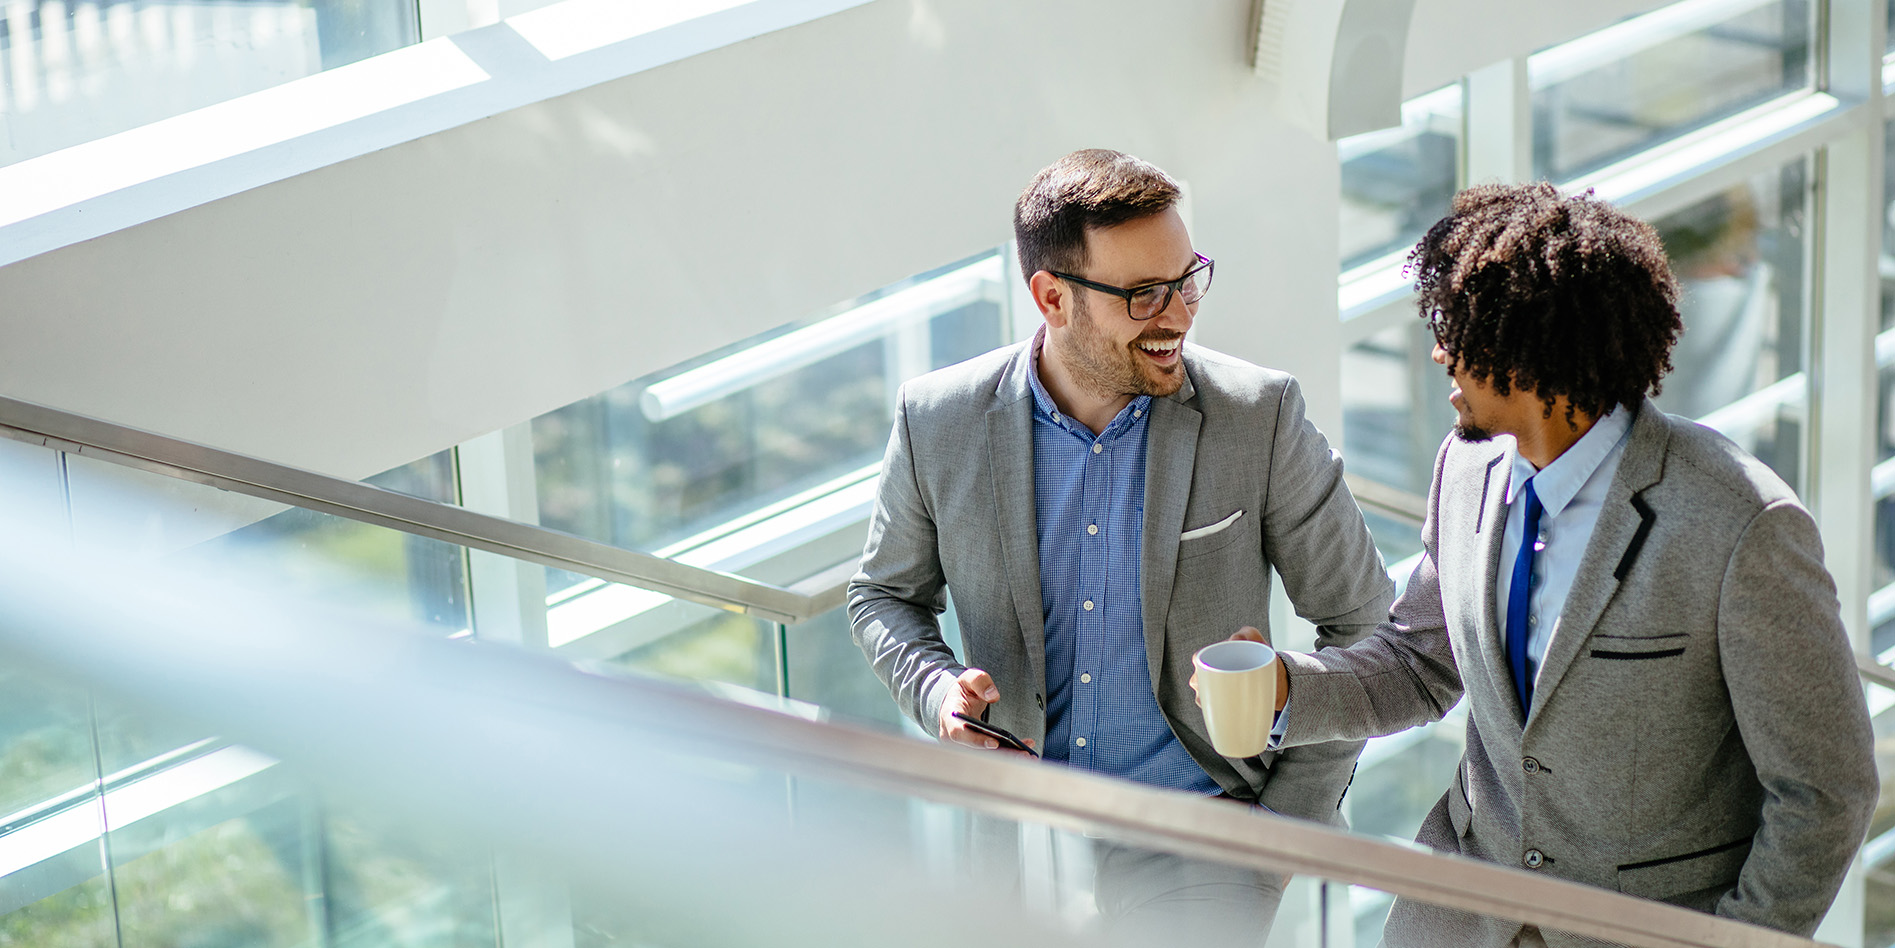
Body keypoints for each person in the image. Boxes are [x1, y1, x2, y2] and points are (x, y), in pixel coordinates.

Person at [1230, 182, 1876, 947]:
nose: (1438, 351)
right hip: (1459, 916)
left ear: (1528, 353)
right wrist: (1283, 689)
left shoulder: (1741, 527)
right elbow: (1419, 663)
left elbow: (1824, 789)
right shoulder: (1465, 470)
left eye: (1454, 329)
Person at [847, 148, 1396, 938]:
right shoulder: (937, 421)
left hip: (1202, 837)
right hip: (1016, 845)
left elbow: (1366, 631)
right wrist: (937, 692)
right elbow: (883, 596)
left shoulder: (1258, 416)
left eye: (1186, 280)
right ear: (1052, 297)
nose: (1177, 314)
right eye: (1143, 294)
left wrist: (1277, 835)